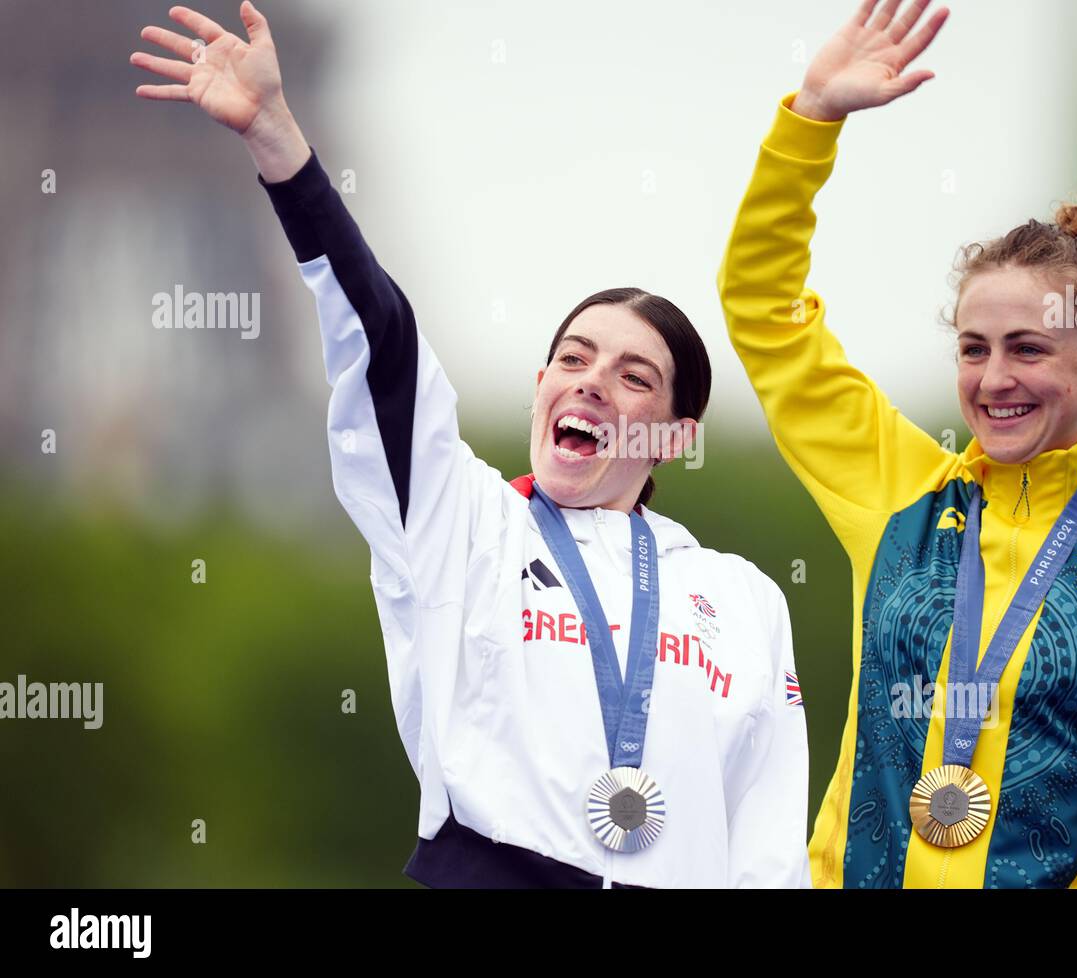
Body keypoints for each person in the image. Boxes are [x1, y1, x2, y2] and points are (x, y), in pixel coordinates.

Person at [132, 1, 811, 888]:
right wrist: (279, 145)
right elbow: (381, 338)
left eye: (634, 376)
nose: (592, 381)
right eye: (572, 358)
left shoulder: (745, 599)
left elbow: (765, 836)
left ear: (677, 437)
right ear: (542, 391)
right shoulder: (459, 519)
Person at [718, 0, 1077, 888]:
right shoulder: (898, 492)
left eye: (1029, 349)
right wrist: (812, 121)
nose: (994, 378)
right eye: (974, 348)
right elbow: (761, 309)